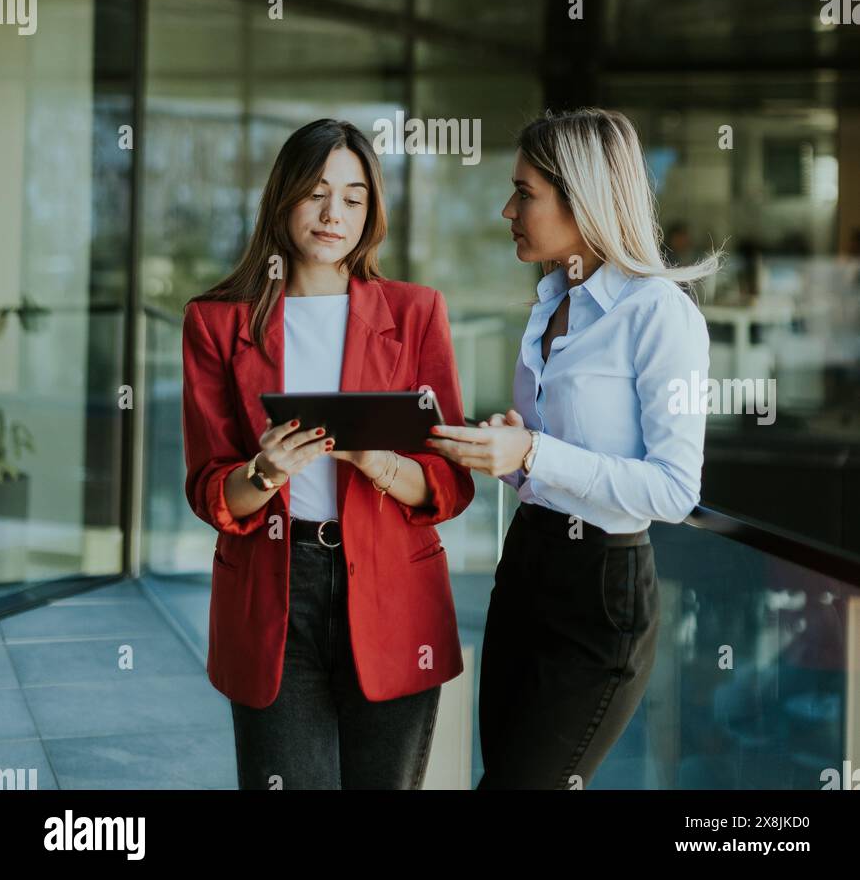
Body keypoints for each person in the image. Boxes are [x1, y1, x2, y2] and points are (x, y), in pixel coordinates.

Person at [428, 107, 724, 789]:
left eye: (525, 192)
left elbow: (676, 493)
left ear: (581, 198)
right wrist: (497, 448)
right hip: (527, 563)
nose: (508, 209)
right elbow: (545, 465)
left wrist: (531, 451)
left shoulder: (658, 314)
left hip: (601, 592)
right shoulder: (551, 302)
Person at [181, 118, 474, 790]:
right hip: (275, 593)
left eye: (353, 197)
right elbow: (208, 488)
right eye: (316, 193)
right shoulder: (218, 321)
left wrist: (380, 464)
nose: (333, 214)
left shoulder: (417, 312)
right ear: (282, 198)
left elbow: (450, 484)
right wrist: (263, 472)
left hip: (395, 592)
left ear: (372, 211)